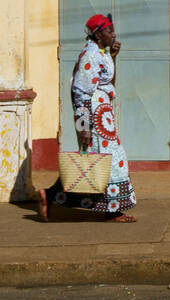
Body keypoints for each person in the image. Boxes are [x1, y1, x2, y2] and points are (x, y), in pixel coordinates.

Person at [37, 13, 137, 222]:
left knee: (101, 160)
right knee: (102, 160)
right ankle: (109, 210)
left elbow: (109, 85)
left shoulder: (102, 53)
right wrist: (84, 127)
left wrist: (113, 57)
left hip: (103, 117)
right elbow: (80, 93)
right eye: (109, 31)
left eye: (113, 31)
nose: (113, 35)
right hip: (93, 117)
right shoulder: (90, 55)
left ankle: (54, 195)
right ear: (98, 34)